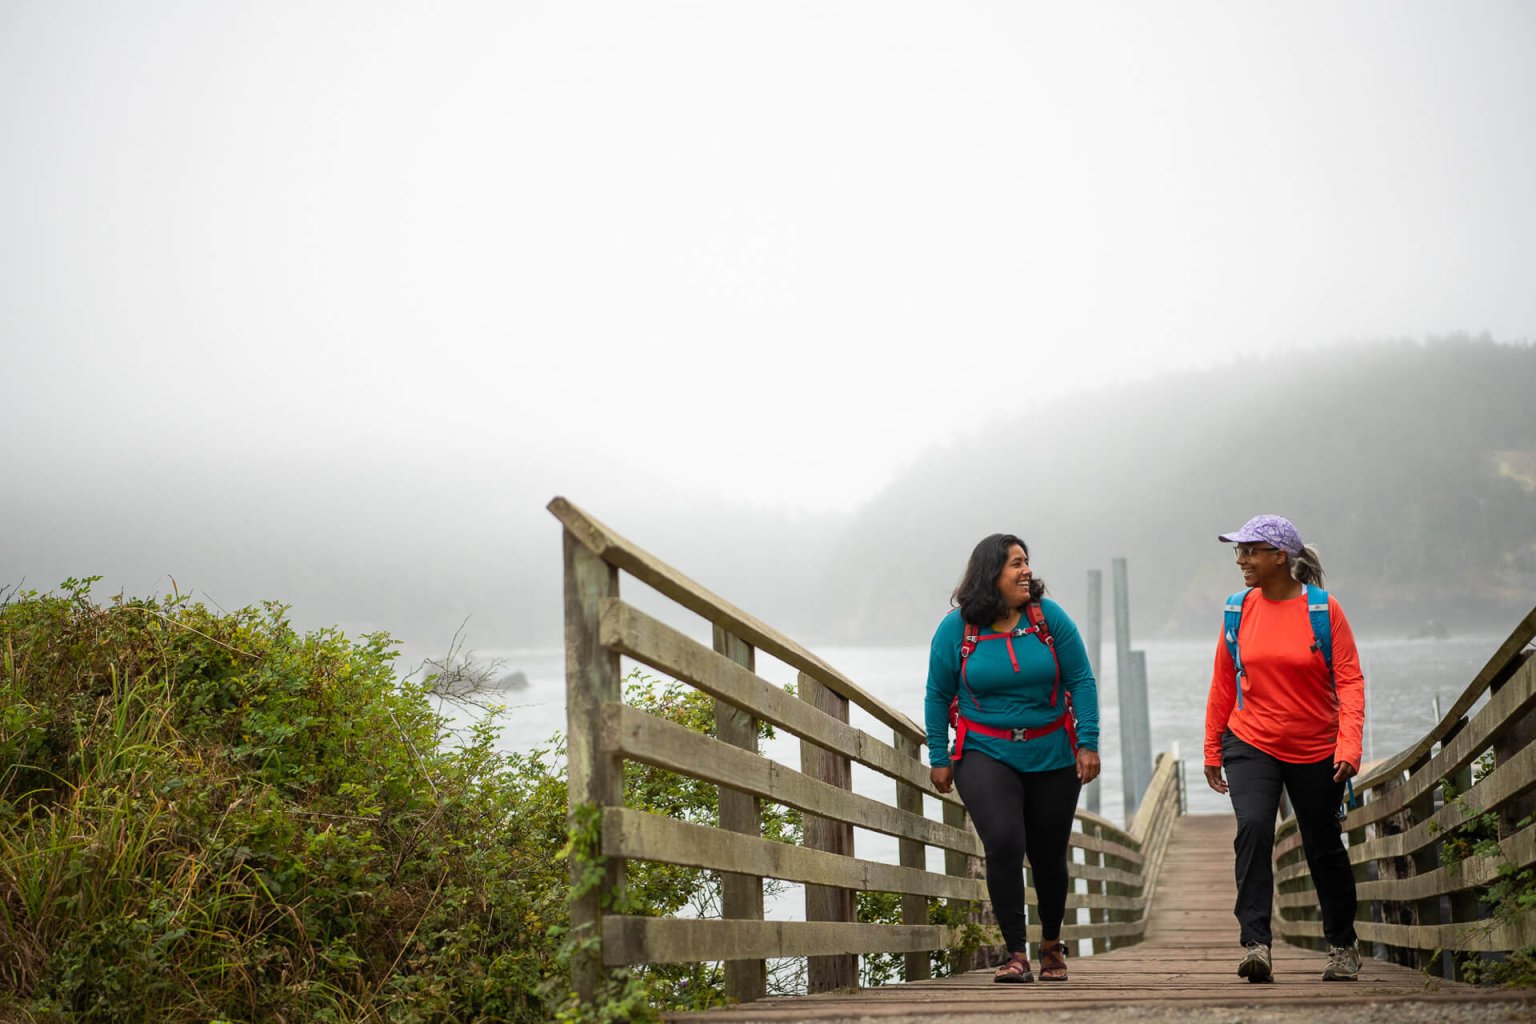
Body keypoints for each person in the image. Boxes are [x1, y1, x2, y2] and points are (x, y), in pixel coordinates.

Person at [925, 533, 1101, 984]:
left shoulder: (1048, 618)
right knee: (1003, 841)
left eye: (1026, 561)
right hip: (984, 749)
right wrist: (940, 754)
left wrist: (1088, 741)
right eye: (1015, 564)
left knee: (1048, 855)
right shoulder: (957, 628)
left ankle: (1051, 944)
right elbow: (938, 693)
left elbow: (1081, 679)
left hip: (1051, 750)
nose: (1026, 570)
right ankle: (1016, 952)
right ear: (991, 574)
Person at [1202, 514, 1365, 984]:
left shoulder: (1323, 610)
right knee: (1253, 828)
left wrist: (1349, 745)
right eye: (1239, 551)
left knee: (1321, 843)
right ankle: (1256, 944)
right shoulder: (1237, 610)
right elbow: (1221, 683)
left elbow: (1350, 680)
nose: (1241, 560)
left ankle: (1341, 946)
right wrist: (1212, 747)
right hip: (1251, 740)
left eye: (1250, 551)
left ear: (1280, 557)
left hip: (1316, 744)